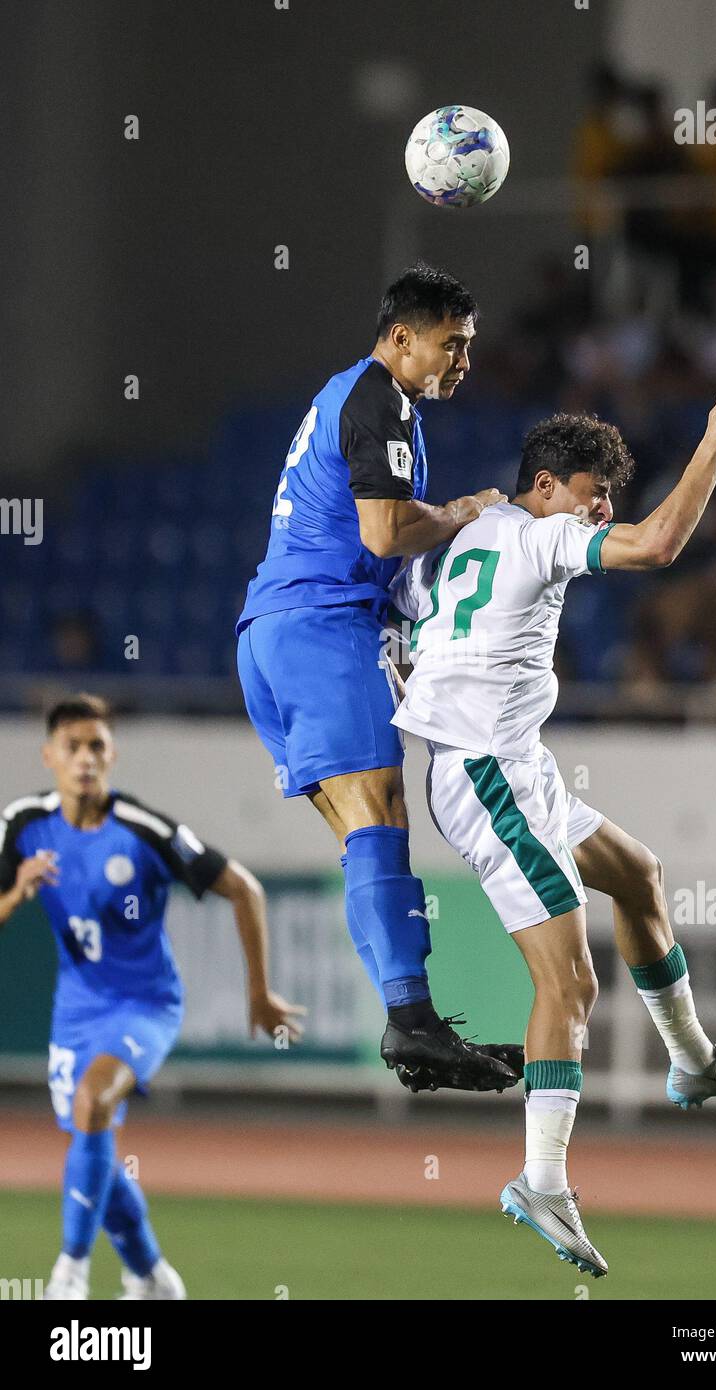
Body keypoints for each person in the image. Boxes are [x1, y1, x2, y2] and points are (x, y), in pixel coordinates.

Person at [388, 376, 716, 1274]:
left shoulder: (454, 542)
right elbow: (657, 544)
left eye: (606, 496)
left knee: (638, 874)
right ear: (543, 488)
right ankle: (542, 1180)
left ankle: (689, 1060)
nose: (602, 508)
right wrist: (715, 440)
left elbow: (401, 623)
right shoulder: (537, 534)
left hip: (512, 764)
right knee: (570, 988)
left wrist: (407, 673)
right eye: (591, 492)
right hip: (492, 775)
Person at [236, 262, 519, 1093]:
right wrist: (466, 511)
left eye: (469, 346)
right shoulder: (380, 401)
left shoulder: (347, 394)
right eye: (451, 344)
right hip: (320, 629)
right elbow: (389, 531)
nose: (462, 361)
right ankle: (411, 1022)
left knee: (366, 834)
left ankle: (413, 1018)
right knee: (384, 811)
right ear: (402, 338)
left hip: (268, 636)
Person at [0, 693, 305, 1301]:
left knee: (92, 1107)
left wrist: (259, 992)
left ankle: (69, 1275)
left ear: (113, 755)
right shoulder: (21, 824)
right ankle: (151, 1277)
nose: (86, 758)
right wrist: (15, 893)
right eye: (73, 747)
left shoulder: (144, 829)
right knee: (94, 1147)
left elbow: (244, 889)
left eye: (97, 746)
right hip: (75, 1009)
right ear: (49, 756)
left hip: (145, 1006)